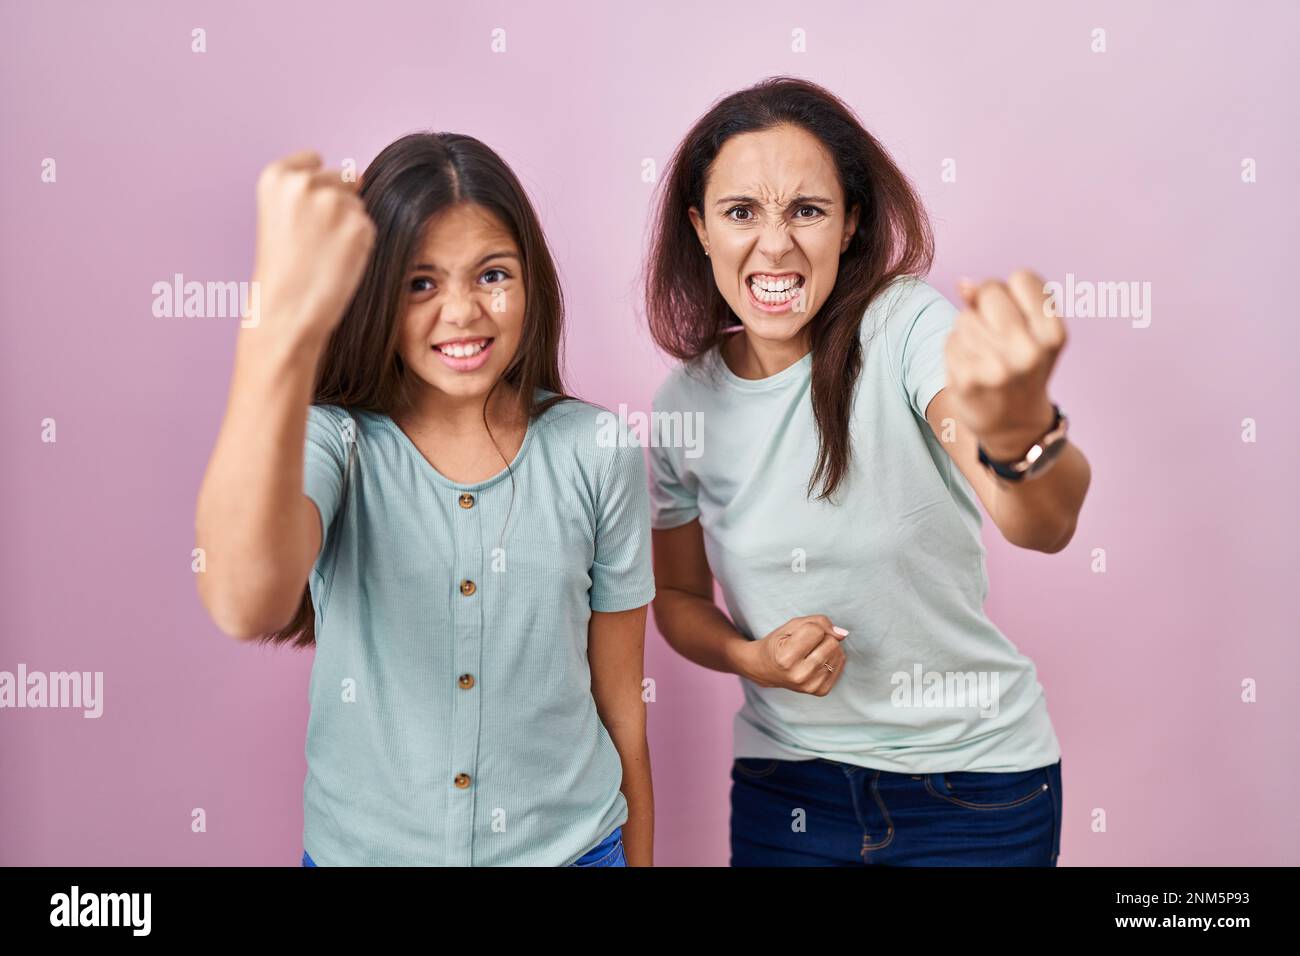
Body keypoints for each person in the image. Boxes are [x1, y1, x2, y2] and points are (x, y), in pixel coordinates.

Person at [643, 77, 1090, 866]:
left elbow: (1038, 522)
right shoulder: (684, 405)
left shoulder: (905, 329)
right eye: (741, 211)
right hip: (790, 791)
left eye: (807, 211)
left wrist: (1021, 429)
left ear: (850, 224)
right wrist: (750, 659)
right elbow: (677, 599)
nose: (774, 245)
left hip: (975, 788)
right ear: (700, 228)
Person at [195, 133, 655, 866]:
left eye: (493, 274)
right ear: (373, 295)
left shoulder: (600, 450)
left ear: (531, 280)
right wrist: (277, 326)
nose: (463, 311)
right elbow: (242, 600)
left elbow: (623, 705)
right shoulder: (334, 446)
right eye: (420, 283)